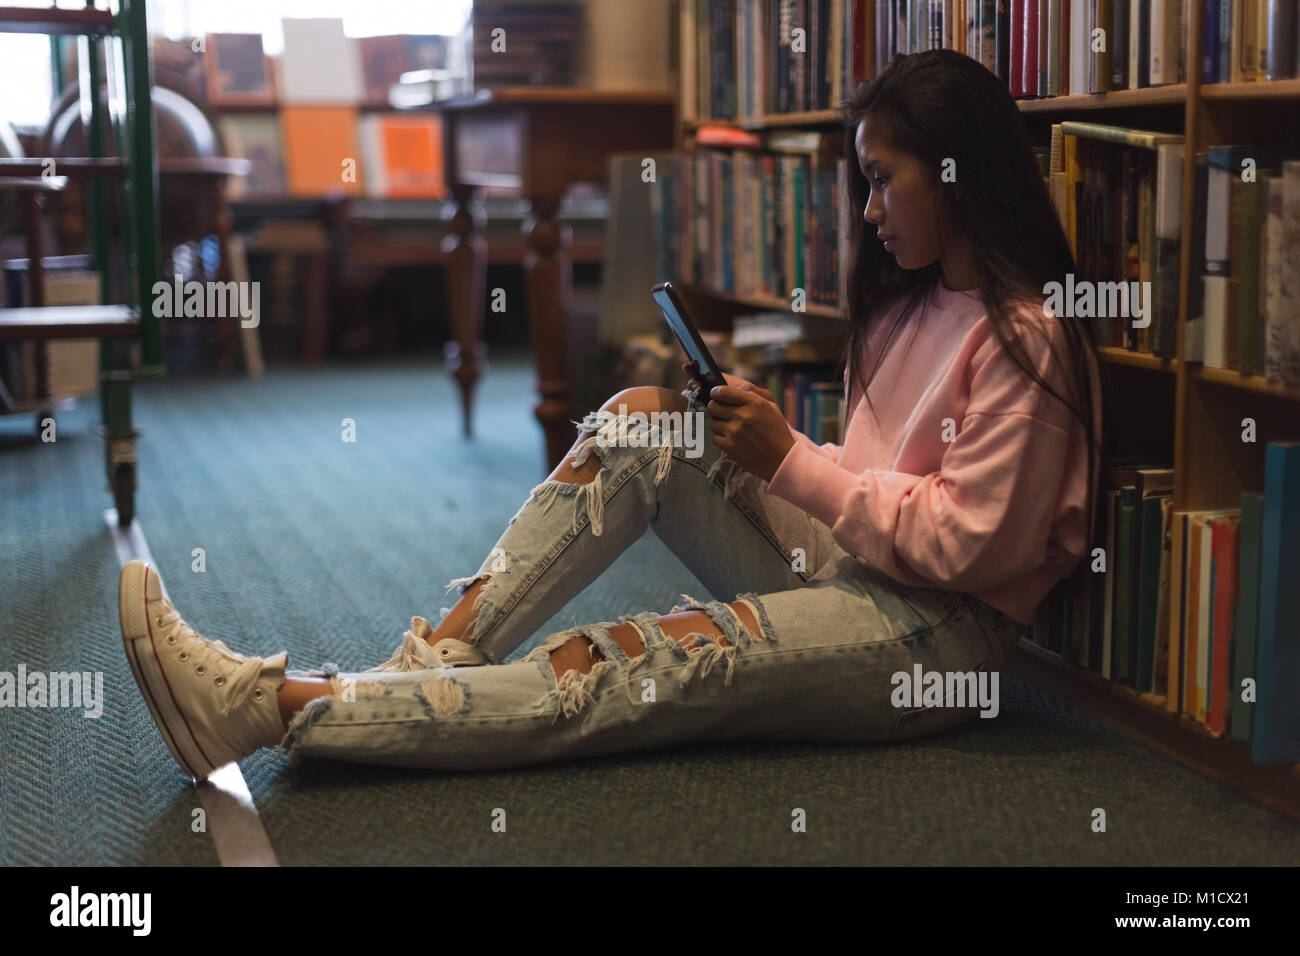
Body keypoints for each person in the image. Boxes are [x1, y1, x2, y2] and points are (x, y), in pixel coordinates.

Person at [118, 48, 1107, 781]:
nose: (868, 212)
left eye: (881, 179)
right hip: (861, 568)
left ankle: (276, 705)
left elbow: (967, 545)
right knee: (642, 420)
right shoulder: (909, 301)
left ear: (954, 172)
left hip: (938, 640)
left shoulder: (1032, 339)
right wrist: (778, 457)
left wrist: (791, 462)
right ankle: (414, 678)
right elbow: (863, 495)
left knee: (639, 656)